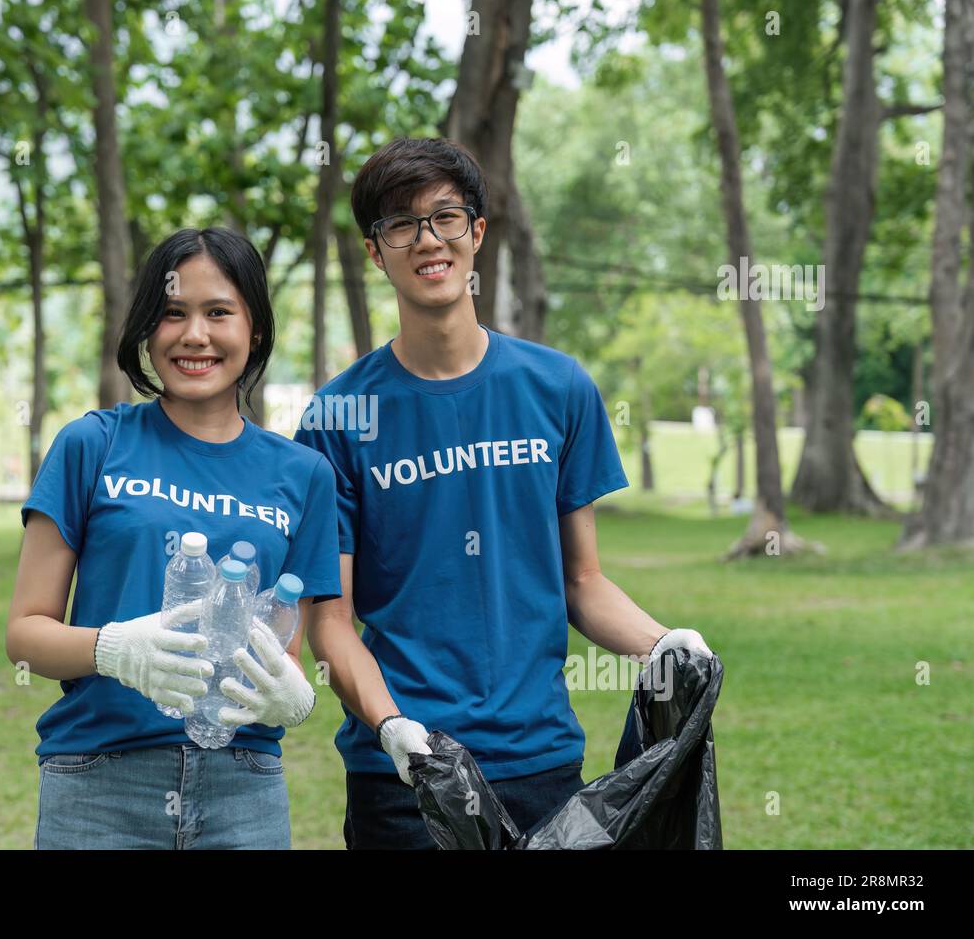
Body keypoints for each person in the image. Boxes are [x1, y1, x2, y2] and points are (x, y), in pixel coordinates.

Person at [293, 137, 713, 849]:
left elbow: (582, 581)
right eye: (401, 224)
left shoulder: (557, 389)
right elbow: (331, 622)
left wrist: (663, 643)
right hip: (406, 777)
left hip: (544, 761)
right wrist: (392, 725)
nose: (428, 240)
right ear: (375, 252)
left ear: (477, 233)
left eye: (446, 218)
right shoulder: (336, 417)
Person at [8, 227, 341, 849]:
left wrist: (289, 695)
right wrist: (112, 649)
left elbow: (281, 646)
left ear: (256, 330)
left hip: (245, 788)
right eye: (172, 314)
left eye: (219, 312)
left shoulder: (304, 475)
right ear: (146, 330)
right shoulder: (92, 445)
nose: (195, 335)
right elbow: (25, 636)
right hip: (98, 784)